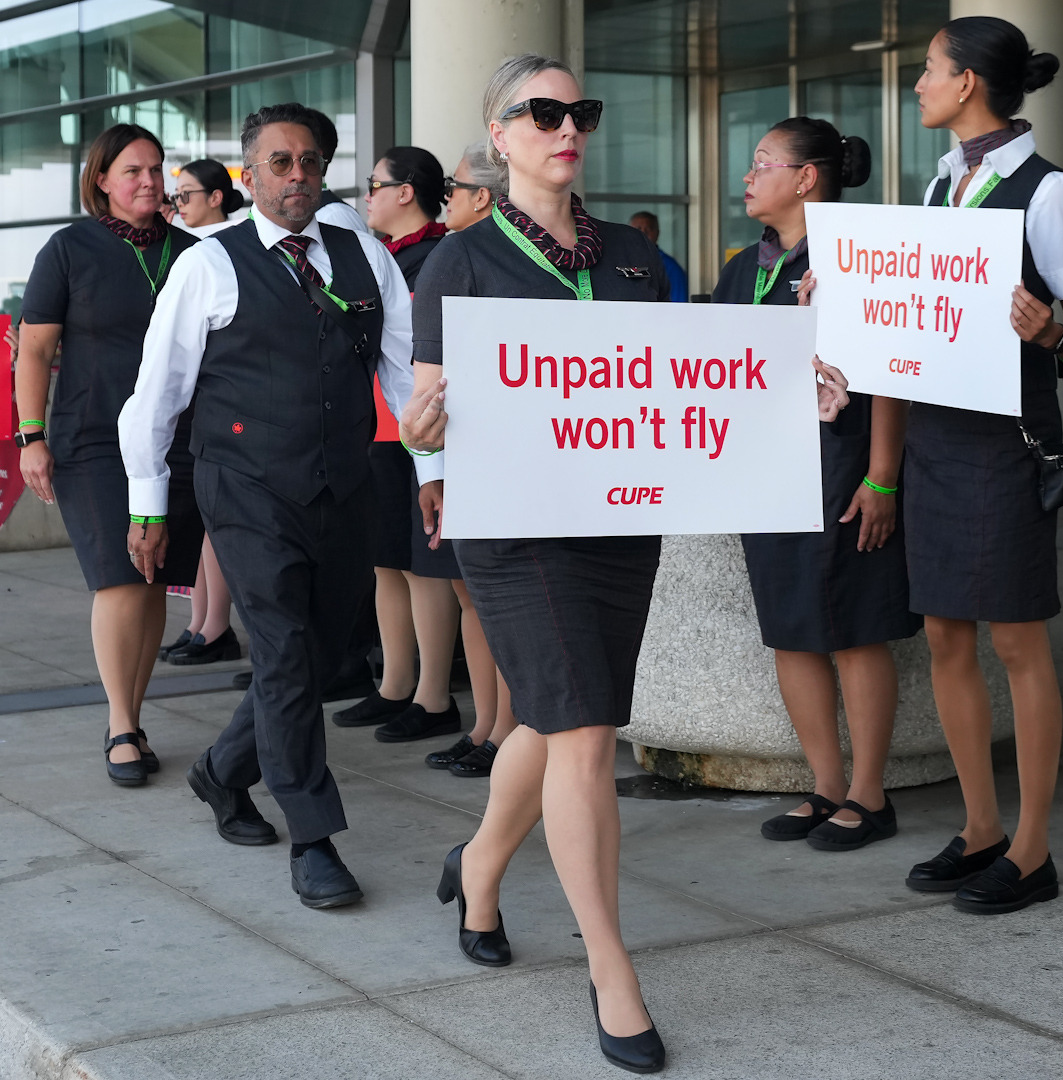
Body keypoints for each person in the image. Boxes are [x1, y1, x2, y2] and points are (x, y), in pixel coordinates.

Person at [412, 55, 852, 1072]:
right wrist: (426, 439)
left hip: (617, 519)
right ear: (501, 133)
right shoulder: (462, 261)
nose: (568, 126)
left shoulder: (637, 261)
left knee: (573, 714)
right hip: (518, 525)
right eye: (545, 112)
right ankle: (613, 972)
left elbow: (690, 378)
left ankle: (480, 863)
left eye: (582, 112)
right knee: (583, 732)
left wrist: (799, 374)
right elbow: (427, 403)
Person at [120, 103, 443, 907]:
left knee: (321, 657)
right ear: (249, 174)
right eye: (278, 163)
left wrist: (434, 468)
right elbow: (155, 395)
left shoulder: (364, 254)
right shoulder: (207, 264)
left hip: (346, 484)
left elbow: (406, 374)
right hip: (247, 487)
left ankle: (221, 771)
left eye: (309, 163)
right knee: (287, 648)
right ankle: (314, 837)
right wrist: (148, 505)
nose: (296, 176)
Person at [894, 17, 1063, 914]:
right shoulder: (944, 181)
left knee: (1016, 640)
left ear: (970, 81)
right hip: (936, 438)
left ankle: (1033, 847)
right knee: (944, 633)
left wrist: (1050, 330)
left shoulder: (1049, 190)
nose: (918, 85)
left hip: (1004, 441)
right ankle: (980, 826)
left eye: (929, 71)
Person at [722, 118, 922, 851]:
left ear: (806, 178)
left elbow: (891, 374)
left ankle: (870, 795)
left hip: (842, 464)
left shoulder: (856, 257)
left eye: (761, 164)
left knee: (855, 631)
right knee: (792, 633)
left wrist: (883, 478)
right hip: (767, 470)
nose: (747, 178)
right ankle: (826, 785)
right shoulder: (746, 266)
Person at [18, 124, 204, 786]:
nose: (150, 182)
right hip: (90, 435)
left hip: (176, 438)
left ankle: (134, 708)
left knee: (153, 577)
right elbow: (35, 348)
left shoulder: (192, 253)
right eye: (134, 171)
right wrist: (30, 435)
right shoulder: (69, 247)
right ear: (101, 179)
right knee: (119, 575)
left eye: (157, 170)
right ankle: (121, 721)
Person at [330, 145, 469, 746]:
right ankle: (395, 684)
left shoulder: (439, 256)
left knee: (425, 568)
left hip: (423, 437)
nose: (368, 197)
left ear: (406, 191)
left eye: (375, 185)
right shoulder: (380, 258)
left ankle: (433, 696)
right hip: (378, 430)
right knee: (386, 560)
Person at [425, 138, 520, 776]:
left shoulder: (507, 262)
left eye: (454, 189)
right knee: (472, 595)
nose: (446, 200)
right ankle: (486, 723)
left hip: (514, 457)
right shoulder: (454, 257)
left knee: (503, 603)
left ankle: (506, 728)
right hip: (462, 447)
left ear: (483, 197)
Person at [159, 158, 246, 665]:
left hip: (218, 397)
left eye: (186, 195)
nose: (177, 205)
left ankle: (215, 626)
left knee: (214, 516)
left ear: (217, 196)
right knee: (195, 515)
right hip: (187, 395)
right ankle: (199, 622)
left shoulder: (232, 244)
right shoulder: (183, 244)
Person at [628, 212, 688, 301]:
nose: (643, 233)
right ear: (628, 233)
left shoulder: (670, 267)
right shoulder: (619, 261)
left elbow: (679, 305)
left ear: (657, 233)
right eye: (638, 228)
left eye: (648, 228)